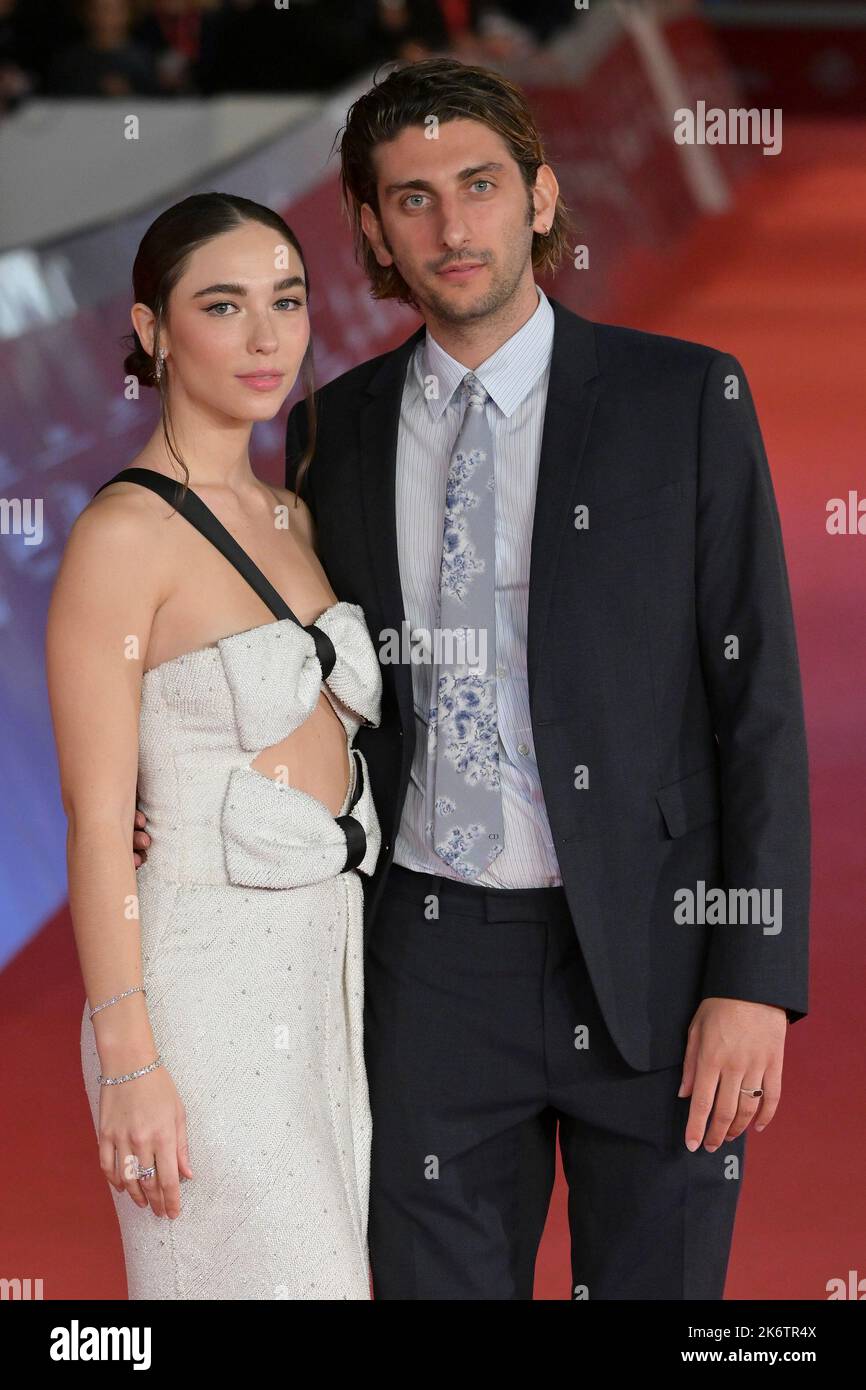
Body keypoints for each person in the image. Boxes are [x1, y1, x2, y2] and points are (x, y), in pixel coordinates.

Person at [136, 57, 811, 1301]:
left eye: (480, 186)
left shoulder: (684, 399)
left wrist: (753, 982)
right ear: (373, 232)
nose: (452, 227)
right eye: (410, 199)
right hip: (432, 967)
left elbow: (756, 701)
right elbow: (304, 662)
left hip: (653, 957)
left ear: (541, 199)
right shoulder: (332, 427)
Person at [47, 192, 383, 1300]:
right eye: (222, 305)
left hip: (327, 968)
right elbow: (100, 828)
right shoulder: (122, 536)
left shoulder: (292, 512)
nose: (264, 338)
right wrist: (133, 1060)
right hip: (199, 986)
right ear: (151, 330)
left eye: (284, 302)